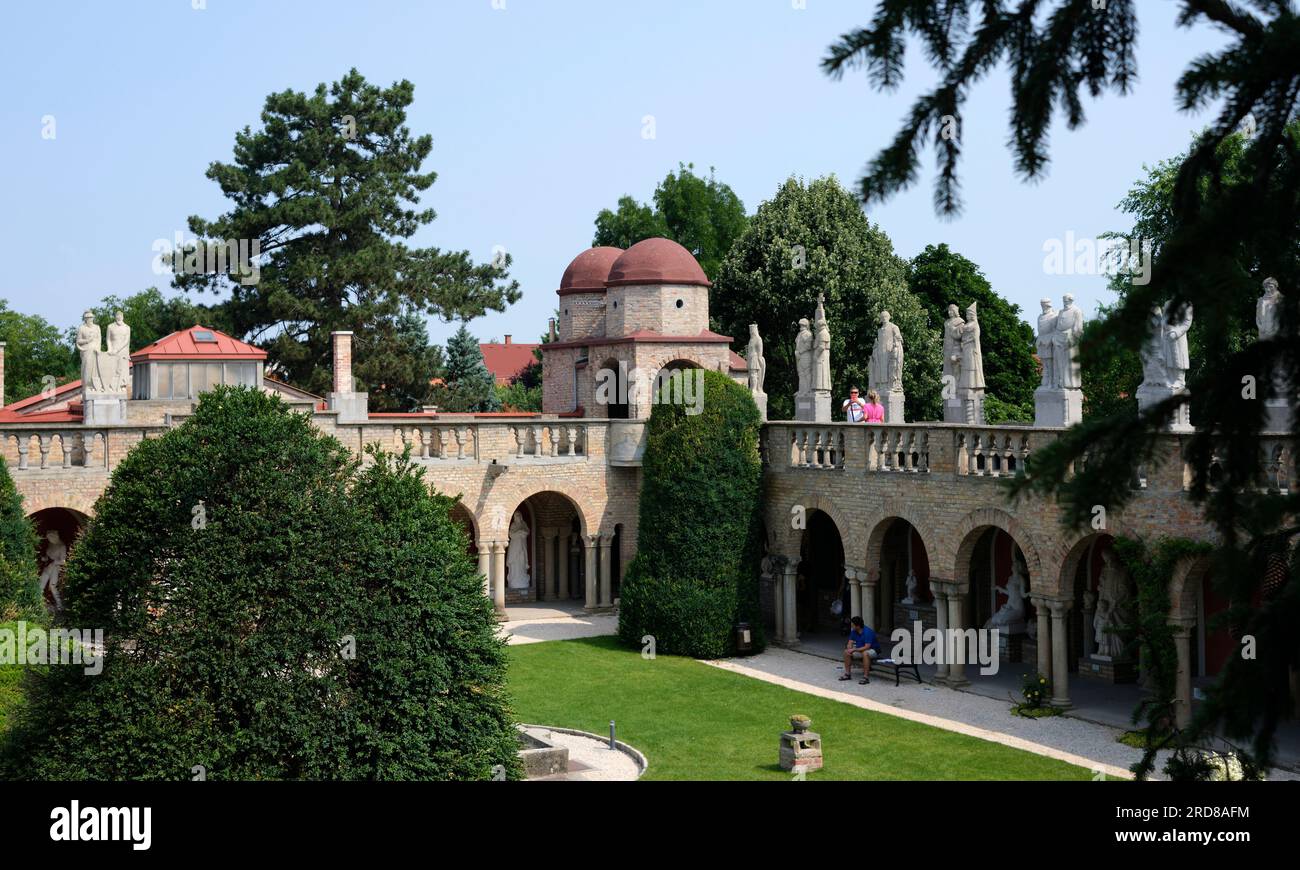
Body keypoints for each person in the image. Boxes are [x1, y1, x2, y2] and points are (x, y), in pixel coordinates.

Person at [840, 616, 881, 684]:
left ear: (858, 626)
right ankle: (847, 674)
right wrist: (849, 648)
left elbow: (867, 647)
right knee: (846, 652)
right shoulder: (854, 631)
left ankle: (865, 677)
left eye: (853, 625)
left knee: (865, 653)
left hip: (873, 650)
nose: (852, 626)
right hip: (861, 649)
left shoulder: (868, 632)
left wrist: (854, 649)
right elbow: (850, 642)